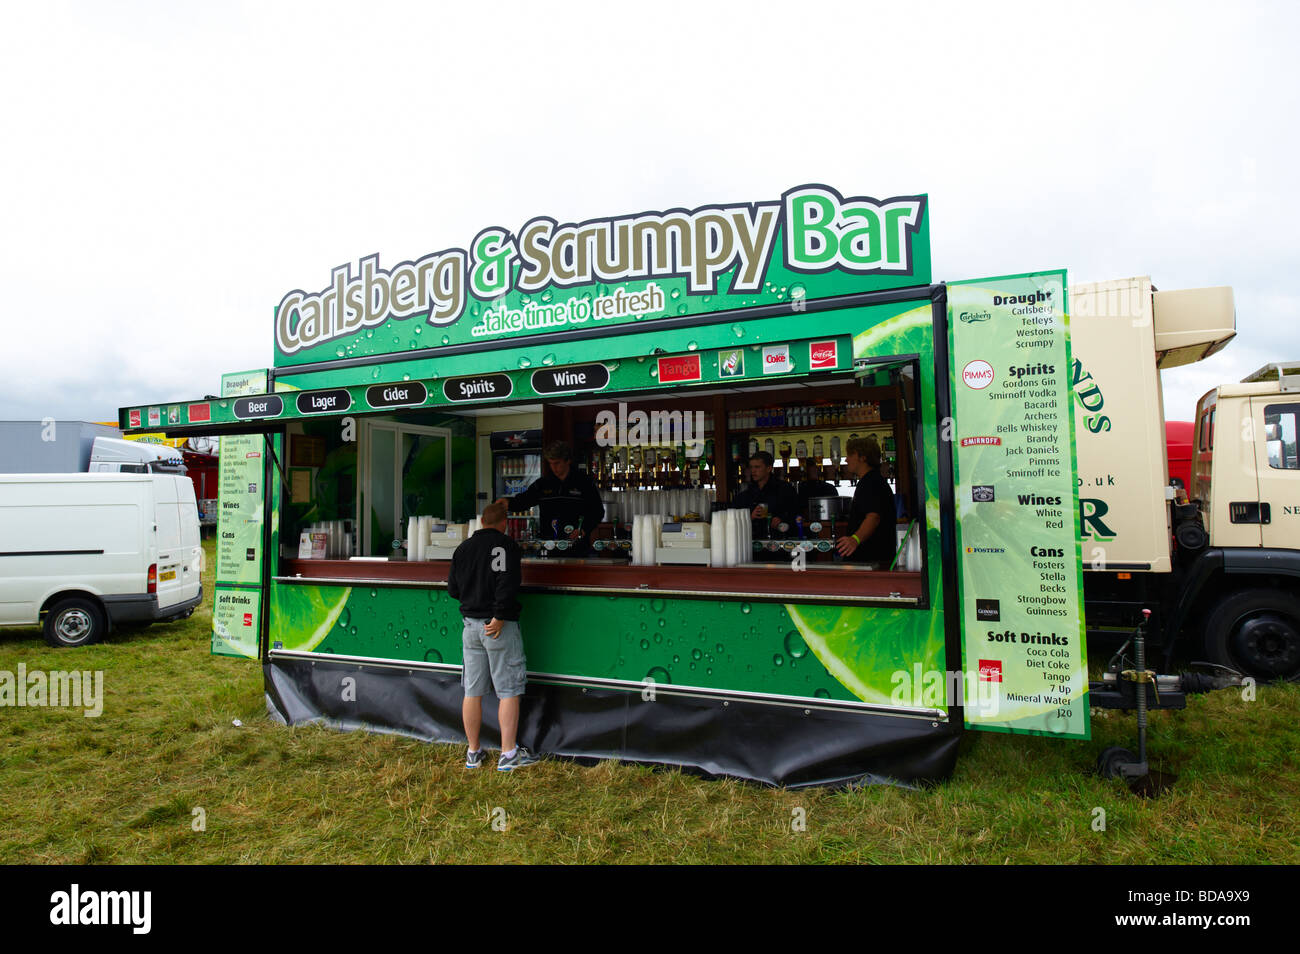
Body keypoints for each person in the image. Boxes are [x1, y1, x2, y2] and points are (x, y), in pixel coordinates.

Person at [447, 501, 540, 771]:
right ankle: (508, 754)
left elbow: (453, 589)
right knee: (508, 689)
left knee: (472, 690)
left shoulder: (463, 548)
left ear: (481, 522)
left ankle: (473, 752)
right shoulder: (507, 546)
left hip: (470, 627)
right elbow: (508, 584)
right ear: (505, 523)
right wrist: (499, 616)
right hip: (497, 626)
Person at [501, 440, 604, 556]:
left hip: (577, 547)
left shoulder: (584, 482)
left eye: (557, 463)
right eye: (550, 463)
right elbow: (523, 501)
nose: (553, 467)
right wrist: (506, 503)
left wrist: (584, 528)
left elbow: (598, 511)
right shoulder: (543, 484)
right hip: (548, 547)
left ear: (568, 461)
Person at [836, 436, 897, 567]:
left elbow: (873, 517)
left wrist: (855, 539)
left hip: (870, 558)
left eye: (851, 454)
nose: (846, 459)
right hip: (874, 558)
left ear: (863, 457)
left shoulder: (870, 482)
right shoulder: (873, 480)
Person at [732, 450, 798, 539]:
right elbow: (734, 519)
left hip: (780, 543)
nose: (753, 471)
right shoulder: (745, 494)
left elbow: (797, 514)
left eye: (757, 467)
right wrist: (749, 517)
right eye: (751, 467)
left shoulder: (785, 489)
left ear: (769, 468)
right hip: (753, 544)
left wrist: (782, 520)